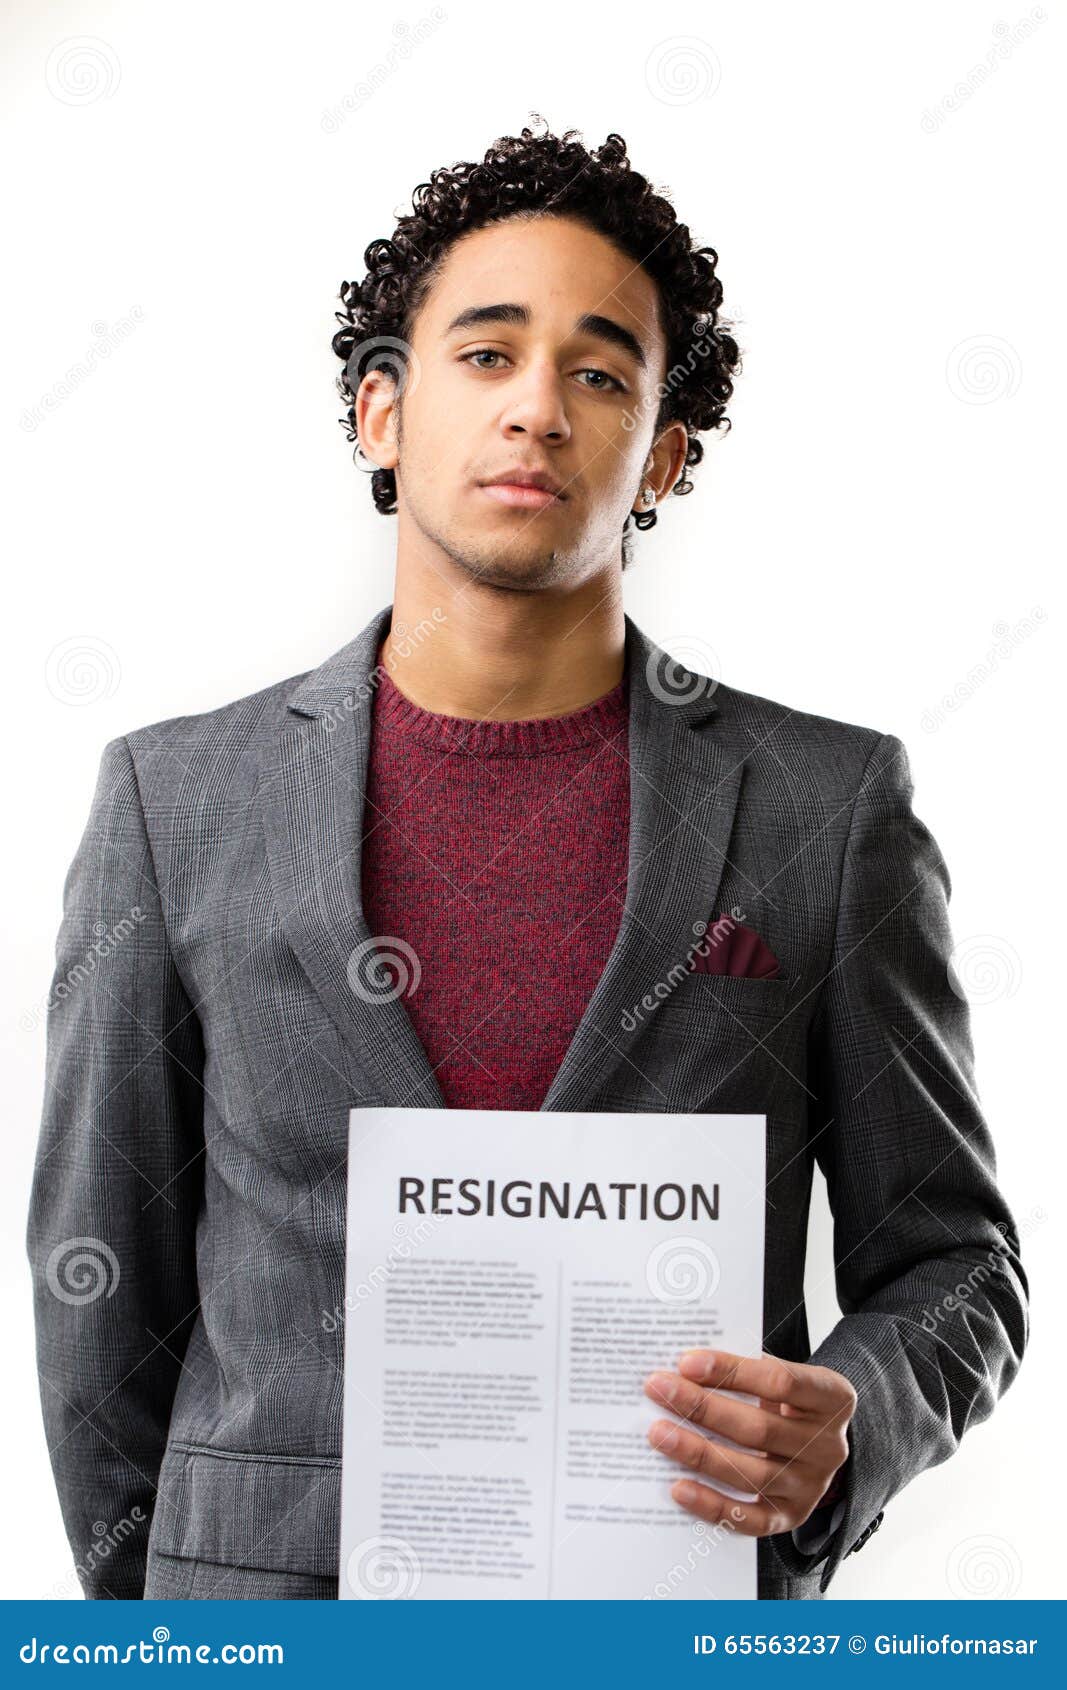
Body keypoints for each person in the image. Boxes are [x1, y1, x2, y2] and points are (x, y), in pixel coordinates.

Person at [27, 120, 1028, 1601]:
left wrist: (853, 1424)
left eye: (603, 371)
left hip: (667, 1616)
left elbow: (958, 1267)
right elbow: (100, 1294)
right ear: (381, 410)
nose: (539, 409)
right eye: (487, 355)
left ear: (662, 454)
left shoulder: (831, 805)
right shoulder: (175, 804)